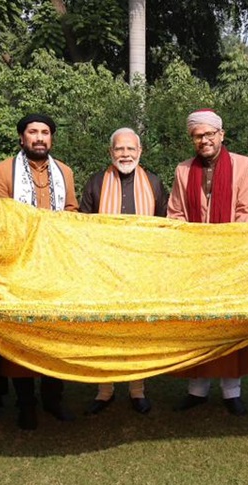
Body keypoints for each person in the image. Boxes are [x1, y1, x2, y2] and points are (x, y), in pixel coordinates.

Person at [0, 112, 79, 429]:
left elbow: (71, 212)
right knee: (21, 335)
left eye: (45, 133)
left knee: (56, 333)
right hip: (18, 266)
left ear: (51, 138)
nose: (39, 137)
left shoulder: (64, 171)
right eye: (32, 132)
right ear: (21, 138)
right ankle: (26, 403)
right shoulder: (2, 171)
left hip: (55, 266)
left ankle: (54, 398)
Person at [166, 108, 248, 415]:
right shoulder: (183, 170)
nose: (203, 140)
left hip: (232, 258)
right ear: (192, 139)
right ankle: (197, 389)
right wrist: (191, 246)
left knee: (231, 323)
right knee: (198, 324)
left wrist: (226, 248)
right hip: (194, 261)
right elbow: (176, 213)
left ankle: (232, 391)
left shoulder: (243, 165)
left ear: (221, 135)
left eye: (209, 134)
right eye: (197, 135)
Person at [78, 127, 168, 415]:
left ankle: (137, 389)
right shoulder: (96, 183)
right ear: (111, 153)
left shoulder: (153, 183)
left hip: (141, 272)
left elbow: (165, 226)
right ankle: (104, 390)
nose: (125, 154)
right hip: (104, 271)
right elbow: (81, 227)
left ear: (140, 152)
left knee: (136, 332)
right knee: (104, 330)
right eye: (119, 149)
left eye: (131, 149)